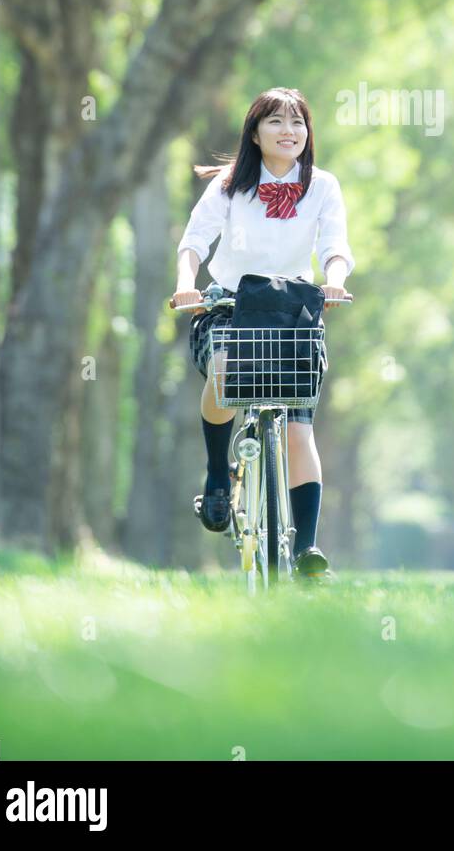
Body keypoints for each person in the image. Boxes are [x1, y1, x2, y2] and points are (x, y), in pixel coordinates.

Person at [169, 87, 354, 582]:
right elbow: (193, 242)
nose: (289, 131)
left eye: (298, 122)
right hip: (228, 306)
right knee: (227, 369)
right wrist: (187, 286)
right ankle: (216, 474)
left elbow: (336, 245)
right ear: (255, 132)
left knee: (298, 428)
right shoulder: (229, 185)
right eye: (275, 122)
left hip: (292, 311)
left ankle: (308, 550)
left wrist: (335, 280)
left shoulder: (322, 186)